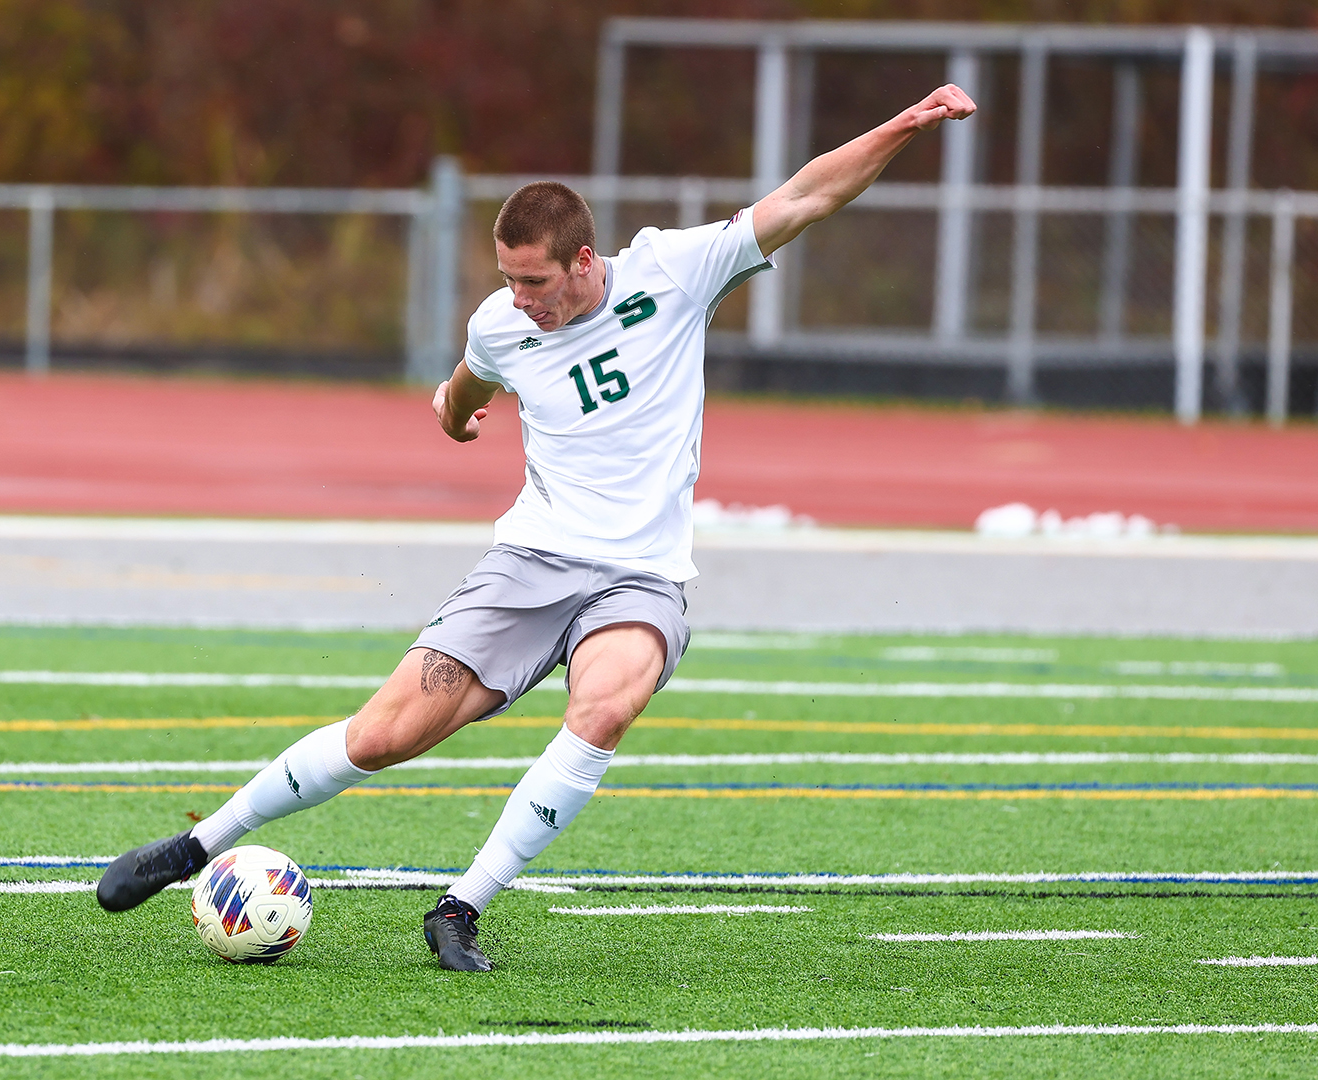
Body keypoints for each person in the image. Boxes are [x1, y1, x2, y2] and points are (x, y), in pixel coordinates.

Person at [96, 83, 978, 971]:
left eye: (535, 281)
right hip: (531, 561)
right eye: (508, 279)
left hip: (641, 576)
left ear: (584, 260)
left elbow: (807, 195)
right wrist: (454, 419)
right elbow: (467, 383)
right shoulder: (501, 323)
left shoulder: (674, 271)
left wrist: (904, 125)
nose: (519, 299)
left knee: (605, 707)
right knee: (381, 737)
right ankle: (196, 845)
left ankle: (460, 908)